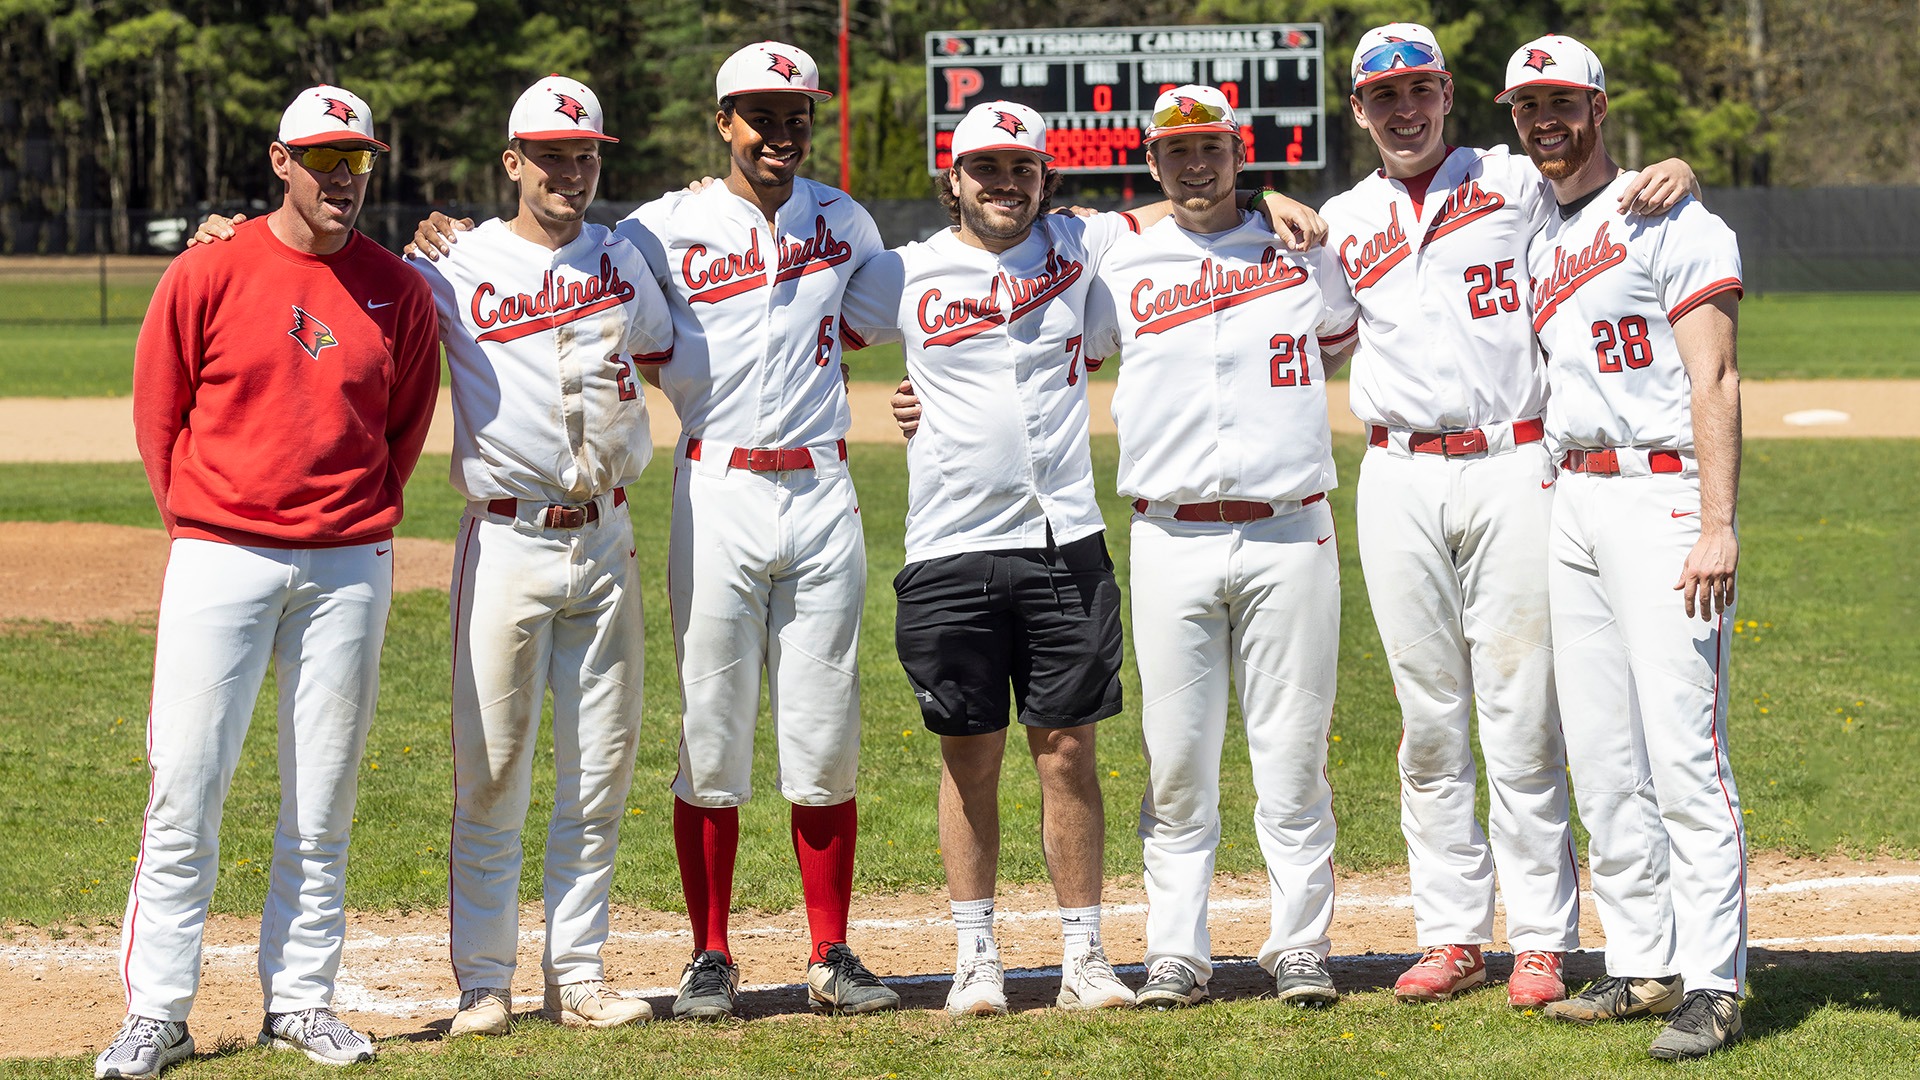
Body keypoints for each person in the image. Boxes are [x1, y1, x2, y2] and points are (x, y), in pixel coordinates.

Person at [411, 41, 898, 1020]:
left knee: (822, 725)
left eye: (796, 112)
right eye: (759, 113)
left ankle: (829, 949)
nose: (780, 130)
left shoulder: (842, 222)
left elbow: (891, 313)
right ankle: (707, 954)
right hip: (711, 484)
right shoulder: (658, 231)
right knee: (706, 727)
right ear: (722, 123)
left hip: (819, 485)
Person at [845, 99, 1327, 1017]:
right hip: (948, 544)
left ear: (1043, 179)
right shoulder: (903, 272)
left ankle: (1085, 958)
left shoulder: (1081, 244)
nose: (1003, 184)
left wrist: (1265, 195)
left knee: (1069, 754)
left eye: (1020, 168)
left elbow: (1184, 204)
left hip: (1064, 537)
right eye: (984, 168)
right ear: (953, 179)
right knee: (968, 757)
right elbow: (796, 322)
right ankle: (974, 956)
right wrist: (897, 405)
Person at [1318, 23, 1698, 1007]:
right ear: (1357, 110)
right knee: (1428, 716)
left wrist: (1677, 166)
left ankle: (1539, 935)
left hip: (1514, 457)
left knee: (1523, 711)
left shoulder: (1514, 178)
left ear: (1448, 95)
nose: (1405, 111)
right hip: (1397, 471)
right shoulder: (1342, 217)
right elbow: (1308, 331)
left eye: (1421, 91)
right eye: (1383, 96)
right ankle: (1450, 931)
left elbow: (1604, 184)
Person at [101, 85, 440, 1078]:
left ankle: (300, 1001)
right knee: (185, 792)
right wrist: (205, 524)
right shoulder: (208, 271)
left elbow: (404, 426)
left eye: (359, 159)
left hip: (348, 565)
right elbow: (159, 413)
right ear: (279, 160)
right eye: (325, 158)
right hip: (222, 555)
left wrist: (348, 523)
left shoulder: (396, 289)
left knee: (323, 799)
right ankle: (158, 1011)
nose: (344, 177)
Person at [1079, 85, 1358, 1011]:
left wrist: (1283, 209)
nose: (1196, 165)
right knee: (1177, 757)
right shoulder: (1117, 256)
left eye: (1212, 149)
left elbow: (1350, 341)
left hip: (1290, 528)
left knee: (1293, 752)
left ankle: (1301, 945)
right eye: (1176, 152)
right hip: (1171, 533)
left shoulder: (1299, 247)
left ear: (1240, 153)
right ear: (1152, 162)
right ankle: (1176, 952)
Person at [1501, 35, 1748, 1060]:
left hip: (1663, 498)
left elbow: (1717, 380)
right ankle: (1642, 962)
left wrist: (1720, 522)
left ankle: (1719, 981)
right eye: (1527, 106)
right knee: (1603, 755)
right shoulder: (1537, 229)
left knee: (1685, 755)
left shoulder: (1674, 217)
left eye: (1561, 101)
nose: (1544, 120)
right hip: (1577, 502)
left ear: (1599, 108)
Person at [412, 76, 672, 1038]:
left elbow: (660, 343)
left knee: (599, 773)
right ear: (512, 161)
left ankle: (580, 974)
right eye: (551, 155)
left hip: (608, 534)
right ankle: (484, 981)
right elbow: (338, 269)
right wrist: (223, 227)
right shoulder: (453, 261)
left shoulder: (624, 259)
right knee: (491, 770)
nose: (570, 171)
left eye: (586, 154)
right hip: (508, 537)